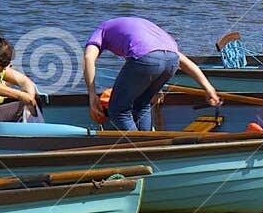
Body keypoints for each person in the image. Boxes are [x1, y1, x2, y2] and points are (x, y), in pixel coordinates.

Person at [83, 16, 220, 133]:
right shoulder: (139, 30)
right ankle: (147, 142)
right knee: (142, 104)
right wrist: (208, 88)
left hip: (146, 58)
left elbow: (89, 58)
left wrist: (92, 95)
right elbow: (183, 61)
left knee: (118, 110)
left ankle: (138, 148)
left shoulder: (101, 31)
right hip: (171, 59)